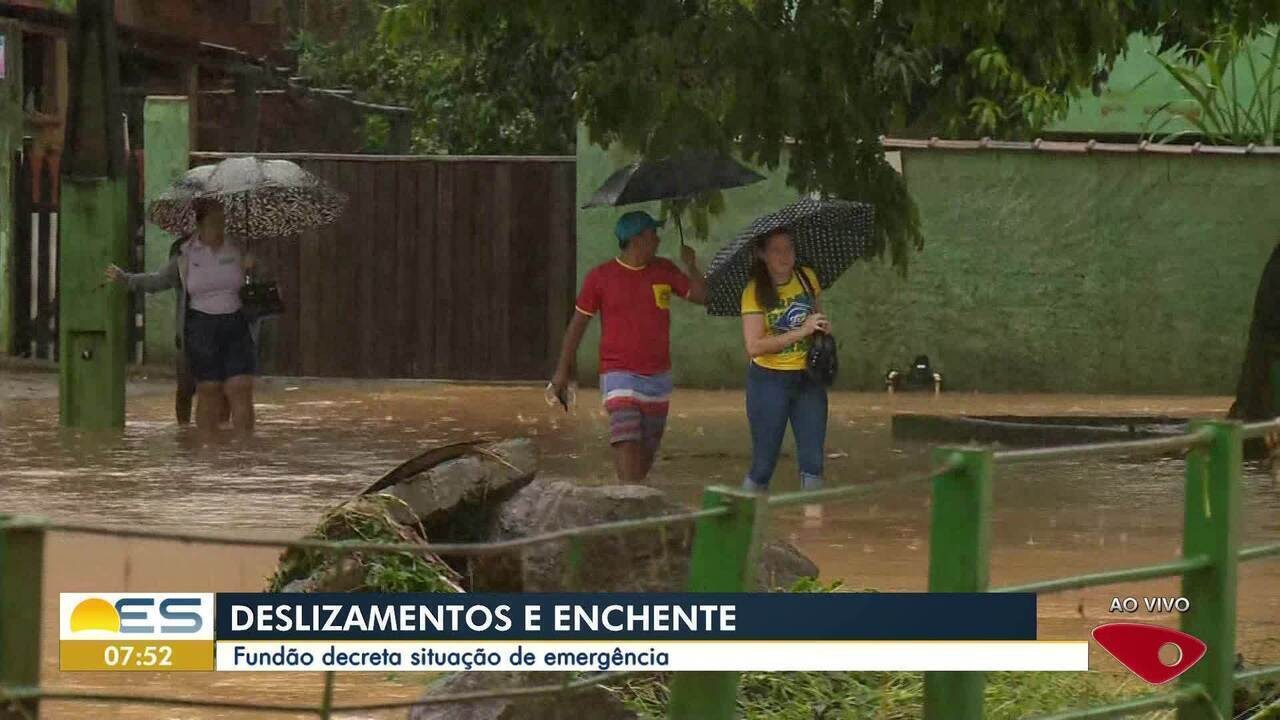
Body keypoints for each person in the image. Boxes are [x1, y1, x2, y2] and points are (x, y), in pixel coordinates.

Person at [549, 210, 707, 482]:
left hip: (658, 378)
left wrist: (691, 265)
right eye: (652, 235)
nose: (658, 240)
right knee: (626, 443)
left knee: (642, 464)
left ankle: (628, 508)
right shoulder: (600, 277)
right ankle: (627, 509)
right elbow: (577, 326)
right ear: (636, 241)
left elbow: (703, 297)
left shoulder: (665, 270)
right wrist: (562, 372)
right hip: (618, 375)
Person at [107, 198, 257, 433]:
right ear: (201, 223)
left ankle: (244, 453)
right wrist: (125, 279)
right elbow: (158, 280)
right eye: (214, 219)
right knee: (209, 389)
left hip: (236, 322)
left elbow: (254, 287)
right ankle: (205, 449)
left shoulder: (238, 248)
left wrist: (252, 269)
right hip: (201, 325)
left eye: (222, 218)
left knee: (240, 386)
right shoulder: (185, 254)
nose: (220, 223)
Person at [739, 228, 831, 500]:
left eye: (789, 248)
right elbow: (754, 346)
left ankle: (814, 533)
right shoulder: (753, 291)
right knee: (764, 464)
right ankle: (740, 525)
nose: (785, 256)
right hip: (769, 381)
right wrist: (800, 332)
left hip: (808, 379)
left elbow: (817, 314)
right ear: (762, 254)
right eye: (777, 250)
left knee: (813, 461)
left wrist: (821, 328)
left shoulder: (806, 277)